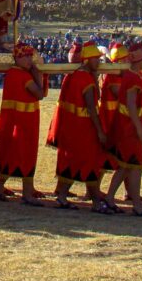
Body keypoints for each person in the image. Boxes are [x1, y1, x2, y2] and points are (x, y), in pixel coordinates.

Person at [49, 41, 110, 211]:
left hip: (70, 126)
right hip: (83, 127)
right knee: (89, 161)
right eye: (96, 59)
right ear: (87, 60)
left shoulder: (74, 75)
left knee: (70, 160)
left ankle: (62, 196)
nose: (98, 62)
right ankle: (96, 202)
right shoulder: (85, 79)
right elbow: (91, 108)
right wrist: (100, 131)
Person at [103, 41, 142, 216]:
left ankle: (130, 203)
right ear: (139, 60)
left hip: (133, 126)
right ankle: (117, 201)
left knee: (130, 166)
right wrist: (139, 129)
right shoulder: (132, 78)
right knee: (128, 166)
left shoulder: (137, 76)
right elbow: (131, 105)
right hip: (130, 128)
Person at [0, 43, 47, 206]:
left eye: (30, 56)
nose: (29, 60)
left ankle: (2, 186)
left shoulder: (14, 73)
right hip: (23, 121)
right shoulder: (22, 76)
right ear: (17, 58)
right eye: (26, 57)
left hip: (19, 120)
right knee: (23, 153)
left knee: (17, 153)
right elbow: (40, 94)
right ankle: (24, 193)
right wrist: (37, 74)